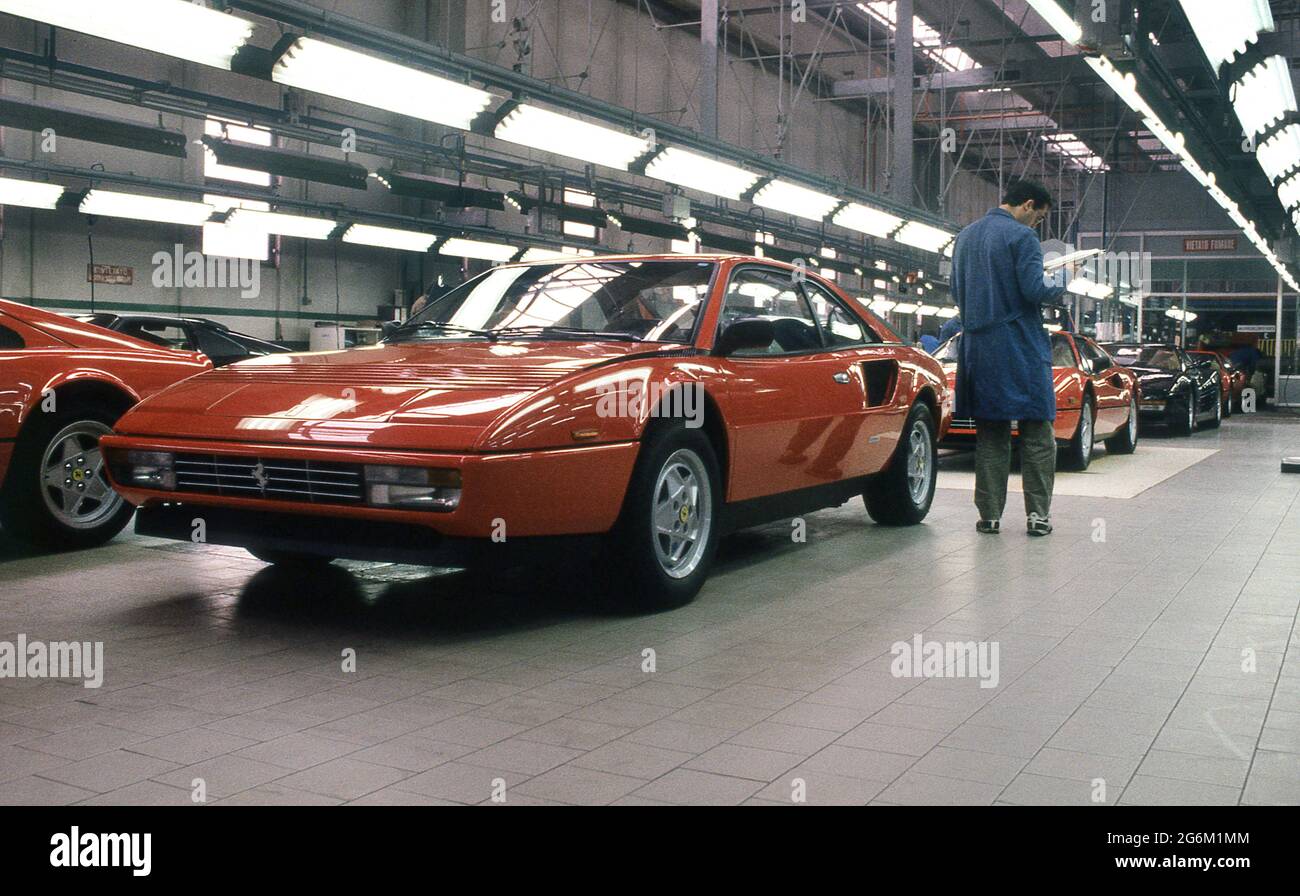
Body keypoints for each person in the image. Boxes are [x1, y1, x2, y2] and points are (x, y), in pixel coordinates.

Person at [951, 180, 1067, 536]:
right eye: (1039, 218)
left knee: (991, 434)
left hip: (979, 350)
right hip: (1019, 347)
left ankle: (989, 516)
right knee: (1037, 431)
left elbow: (957, 291)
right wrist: (1062, 281)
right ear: (1028, 205)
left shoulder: (965, 237)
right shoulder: (1022, 238)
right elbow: (1034, 290)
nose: (1037, 226)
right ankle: (1038, 517)